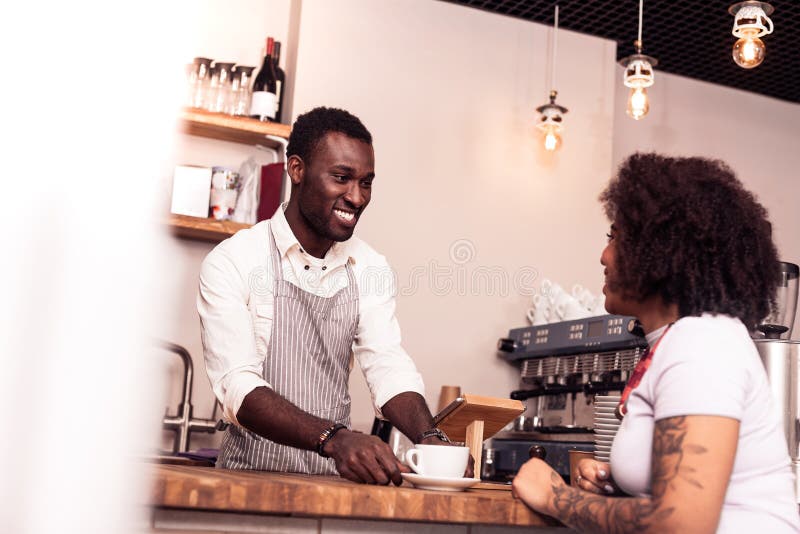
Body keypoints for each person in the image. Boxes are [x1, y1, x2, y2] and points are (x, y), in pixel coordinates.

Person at [512, 153, 800, 533]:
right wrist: (617, 480)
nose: (603, 256)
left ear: (661, 251)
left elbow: (681, 525)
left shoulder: (702, 342)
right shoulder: (681, 341)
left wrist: (556, 497)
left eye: (615, 238)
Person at [197, 107, 457, 485]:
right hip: (247, 482)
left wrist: (431, 439)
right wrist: (334, 438)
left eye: (366, 182)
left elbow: (387, 365)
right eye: (341, 178)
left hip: (332, 484)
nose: (357, 197)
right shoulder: (234, 261)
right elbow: (238, 386)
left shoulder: (369, 267)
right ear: (297, 169)